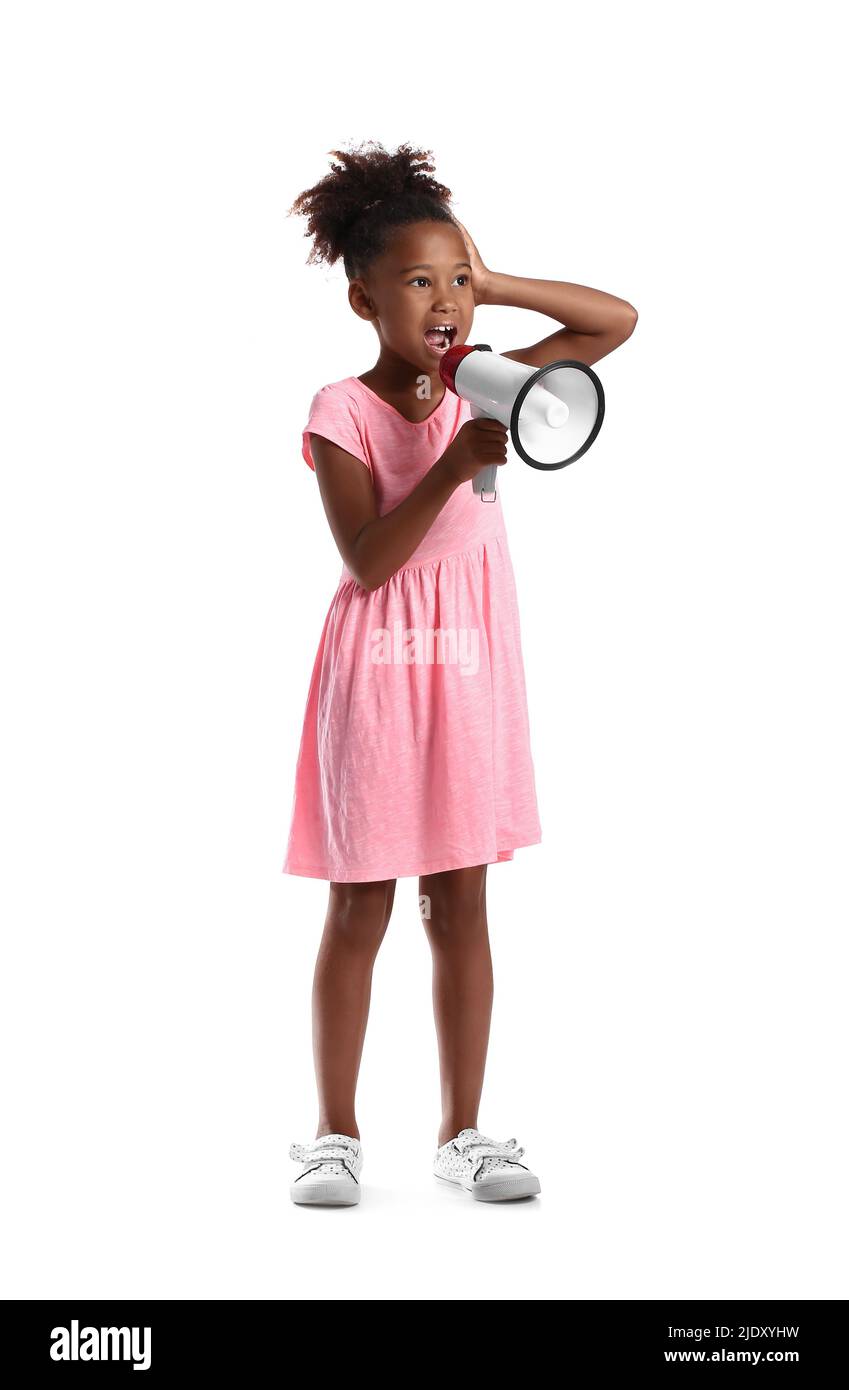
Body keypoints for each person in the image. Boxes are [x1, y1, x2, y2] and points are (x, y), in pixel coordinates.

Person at [282, 141, 637, 1205]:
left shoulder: (486, 376)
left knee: (461, 901)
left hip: (472, 668)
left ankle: (464, 1130)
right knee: (362, 907)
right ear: (363, 299)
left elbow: (613, 322)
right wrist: (451, 461)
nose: (443, 299)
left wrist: (499, 284)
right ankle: (333, 1132)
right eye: (420, 280)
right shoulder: (340, 408)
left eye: (456, 277)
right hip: (384, 669)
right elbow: (369, 557)